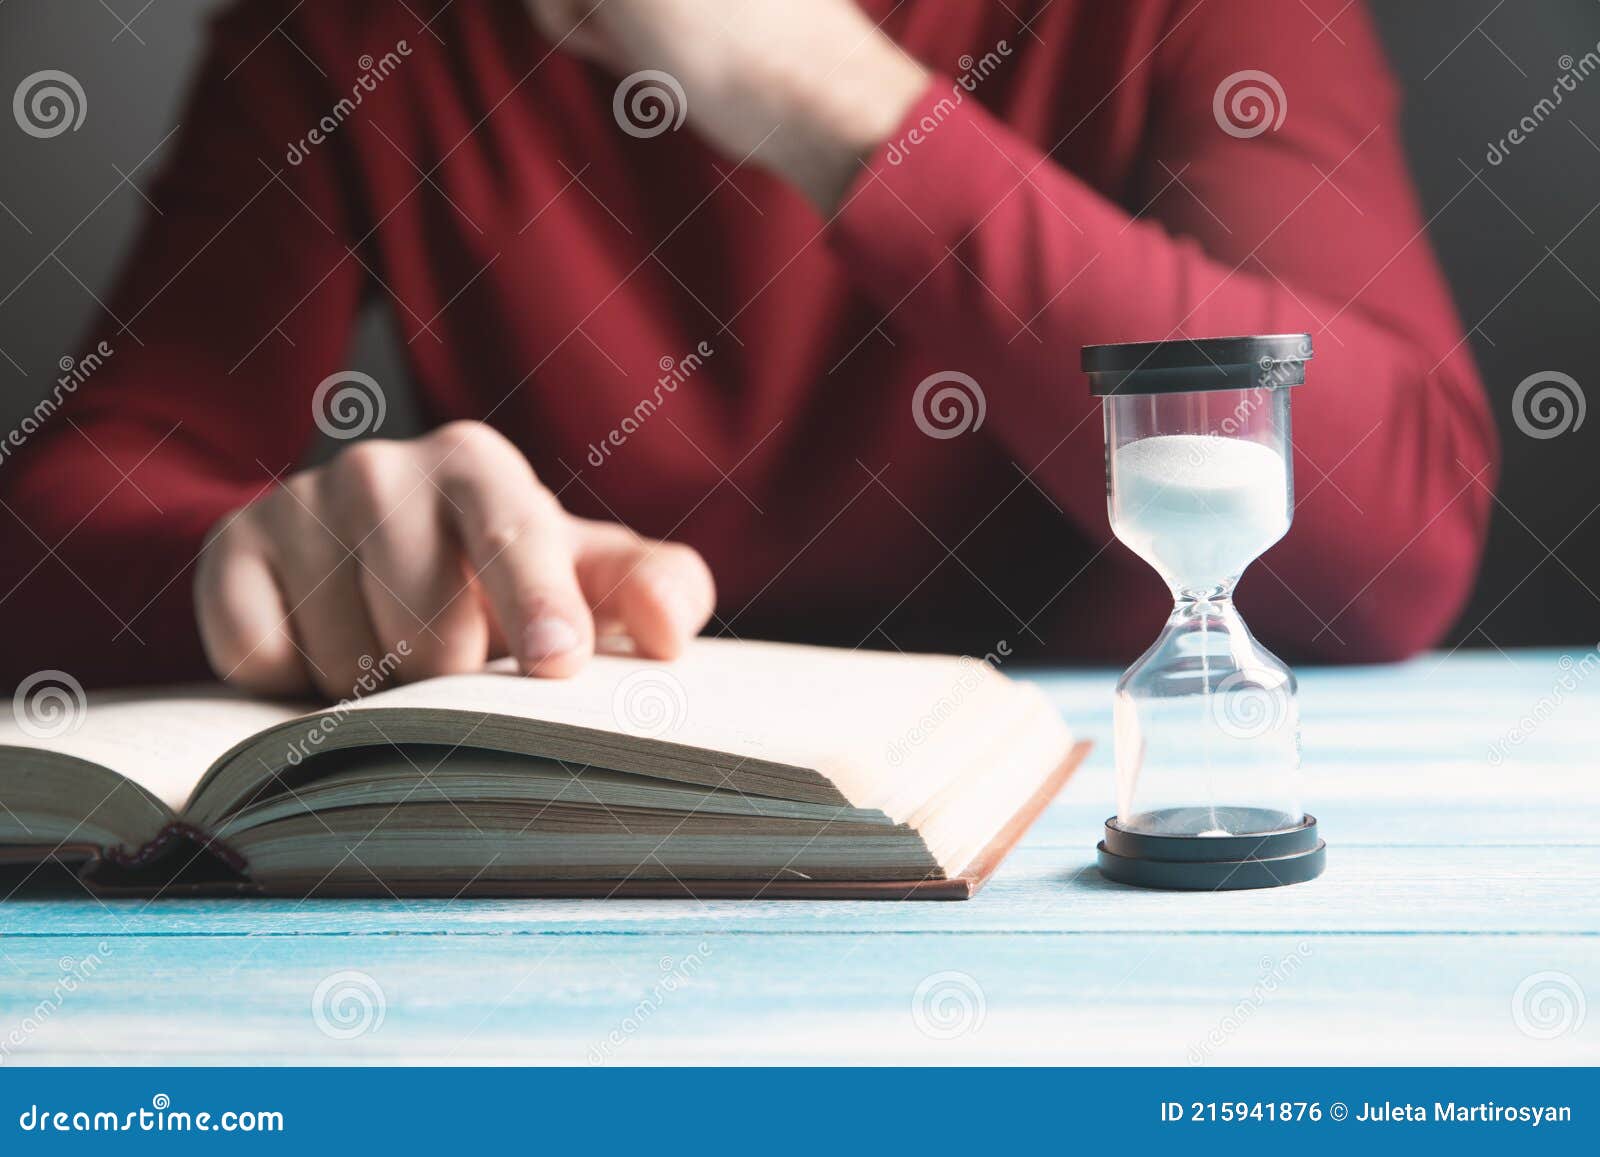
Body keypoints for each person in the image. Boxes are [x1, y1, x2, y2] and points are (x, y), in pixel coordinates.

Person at [0, 0, 1497, 698]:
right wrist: (260, 555)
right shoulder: (361, 29)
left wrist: (823, 88)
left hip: (1082, 871)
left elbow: (1397, 534)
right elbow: (65, 522)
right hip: (559, 825)